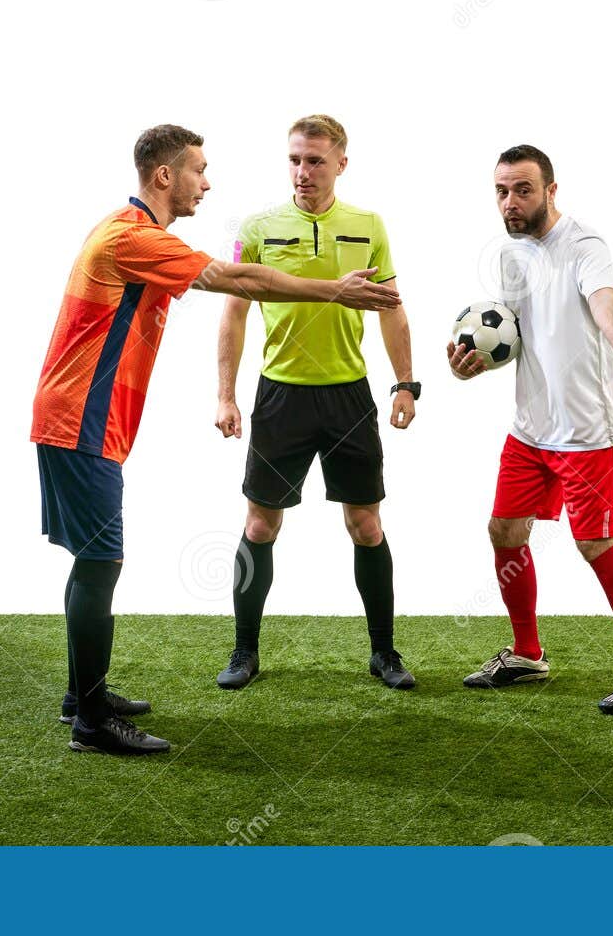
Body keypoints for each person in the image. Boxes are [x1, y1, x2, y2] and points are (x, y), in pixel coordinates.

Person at [31, 124, 400, 755]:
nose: (208, 181)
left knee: (91, 563)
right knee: (100, 564)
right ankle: (91, 721)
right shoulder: (134, 237)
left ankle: (81, 694)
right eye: (199, 169)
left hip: (80, 419)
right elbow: (243, 282)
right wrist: (333, 291)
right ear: (165, 176)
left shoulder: (133, 232)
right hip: (80, 422)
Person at [449, 144, 613, 714]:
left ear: (551, 190)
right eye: (501, 191)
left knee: (595, 543)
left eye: (523, 189)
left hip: (584, 431)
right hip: (530, 428)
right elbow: (512, 331)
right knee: (504, 532)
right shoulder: (509, 254)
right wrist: (470, 361)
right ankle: (527, 653)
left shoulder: (584, 244)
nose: (511, 202)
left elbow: (605, 298)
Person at [211, 114, 418, 691]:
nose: (303, 172)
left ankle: (384, 653)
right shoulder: (257, 227)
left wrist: (405, 382)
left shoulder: (368, 224)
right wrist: (226, 395)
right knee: (260, 525)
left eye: (316, 160)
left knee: (367, 525)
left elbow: (391, 305)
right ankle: (244, 652)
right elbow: (232, 311)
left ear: (341, 163)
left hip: (349, 396)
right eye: (295, 160)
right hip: (281, 396)